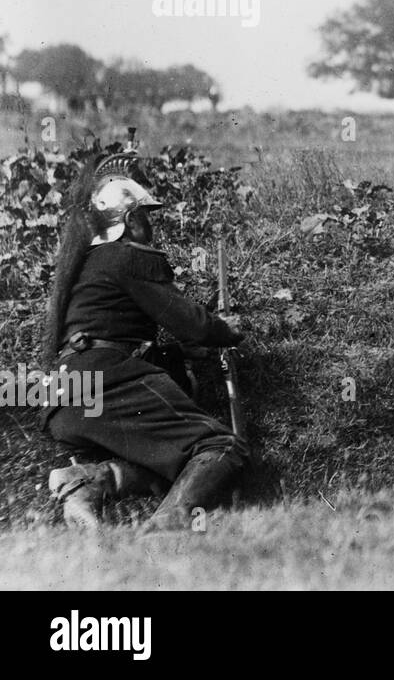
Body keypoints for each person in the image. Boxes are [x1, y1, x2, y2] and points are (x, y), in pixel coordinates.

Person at [43, 150, 249, 532]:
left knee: (173, 461)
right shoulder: (126, 257)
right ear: (132, 220)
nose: (150, 227)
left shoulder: (86, 265)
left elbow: (110, 333)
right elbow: (194, 325)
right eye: (146, 217)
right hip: (107, 383)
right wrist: (228, 329)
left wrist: (177, 352)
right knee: (221, 448)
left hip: (65, 396)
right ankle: (162, 532)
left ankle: (88, 481)